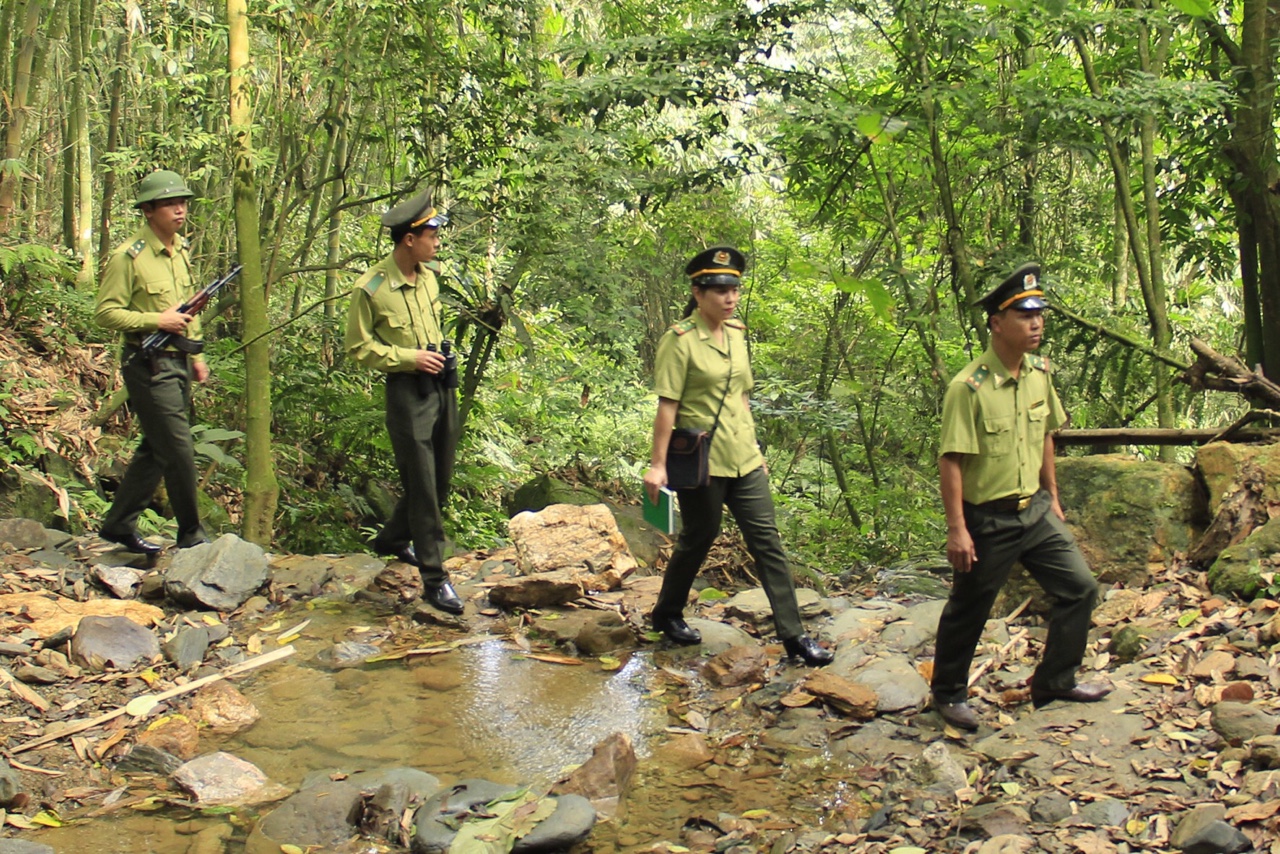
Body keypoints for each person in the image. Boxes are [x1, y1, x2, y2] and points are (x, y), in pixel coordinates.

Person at [931, 262, 1109, 731]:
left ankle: (1056, 681)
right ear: (997, 323)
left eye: (1039, 315)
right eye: (1025, 315)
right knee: (970, 608)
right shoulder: (968, 387)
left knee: (1080, 588)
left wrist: (1052, 494)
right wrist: (957, 529)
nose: (1036, 324)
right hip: (987, 518)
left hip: (1034, 511)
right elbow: (951, 460)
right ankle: (948, 693)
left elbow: (1046, 434)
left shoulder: (1039, 374)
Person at [642, 246, 833, 667]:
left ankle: (795, 636)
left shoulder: (738, 334)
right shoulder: (679, 341)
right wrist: (657, 465)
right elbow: (668, 405)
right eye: (719, 290)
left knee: (767, 542)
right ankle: (667, 612)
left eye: (734, 289)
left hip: (744, 457)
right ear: (698, 293)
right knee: (699, 536)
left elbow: (741, 396)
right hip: (703, 460)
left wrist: (756, 448)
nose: (730, 298)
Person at [345, 188, 463, 615]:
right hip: (407, 391)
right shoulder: (371, 288)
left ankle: (392, 538)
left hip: (441, 385)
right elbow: (359, 347)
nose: (437, 242)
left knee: (439, 480)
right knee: (423, 486)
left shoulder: (430, 277)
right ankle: (435, 579)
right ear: (409, 239)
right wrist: (408, 358)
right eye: (432, 235)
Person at [95, 170, 211, 554]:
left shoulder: (181, 250)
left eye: (183, 203)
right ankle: (192, 534)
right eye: (169, 204)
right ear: (148, 210)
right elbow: (106, 313)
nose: (180, 210)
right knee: (177, 448)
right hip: (147, 363)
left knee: (156, 446)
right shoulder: (128, 257)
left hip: (179, 360)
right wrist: (155, 320)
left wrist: (197, 354)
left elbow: (189, 309)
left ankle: (118, 525)